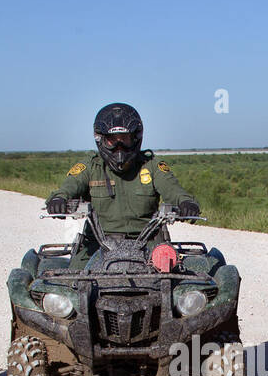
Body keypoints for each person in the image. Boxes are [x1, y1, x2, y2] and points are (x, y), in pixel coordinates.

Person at [45, 103, 199, 267]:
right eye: (112, 141)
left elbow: (174, 190)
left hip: (148, 243)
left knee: (182, 281)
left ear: (135, 138)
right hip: (98, 244)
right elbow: (69, 187)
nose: (119, 148)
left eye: (124, 139)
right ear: (101, 140)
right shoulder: (90, 167)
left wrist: (186, 203)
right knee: (72, 280)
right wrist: (59, 200)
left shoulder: (152, 166)